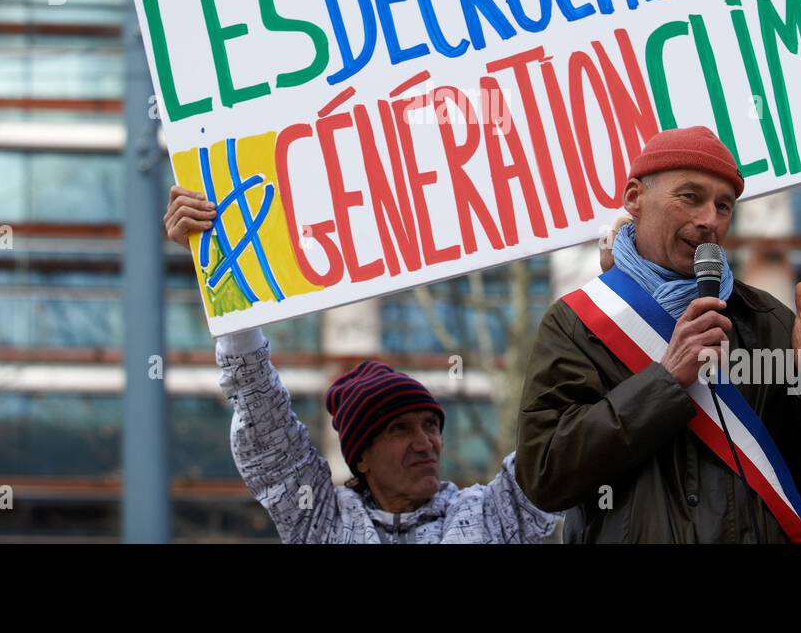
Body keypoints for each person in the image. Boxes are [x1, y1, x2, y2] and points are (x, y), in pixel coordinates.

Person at [515, 126, 801, 543]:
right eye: (690, 197)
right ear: (634, 198)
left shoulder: (764, 318)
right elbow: (544, 475)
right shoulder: (578, 322)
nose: (709, 220)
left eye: (723, 206)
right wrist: (664, 382)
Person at [164, 186, 560, 544]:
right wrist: (215, 260)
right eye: (399, 428)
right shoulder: (321, 523)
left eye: (430, 425)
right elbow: (260, 410)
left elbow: (563, 445)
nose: (425, 442)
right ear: (362, 458)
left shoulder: (492, 516)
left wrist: (620, 274)